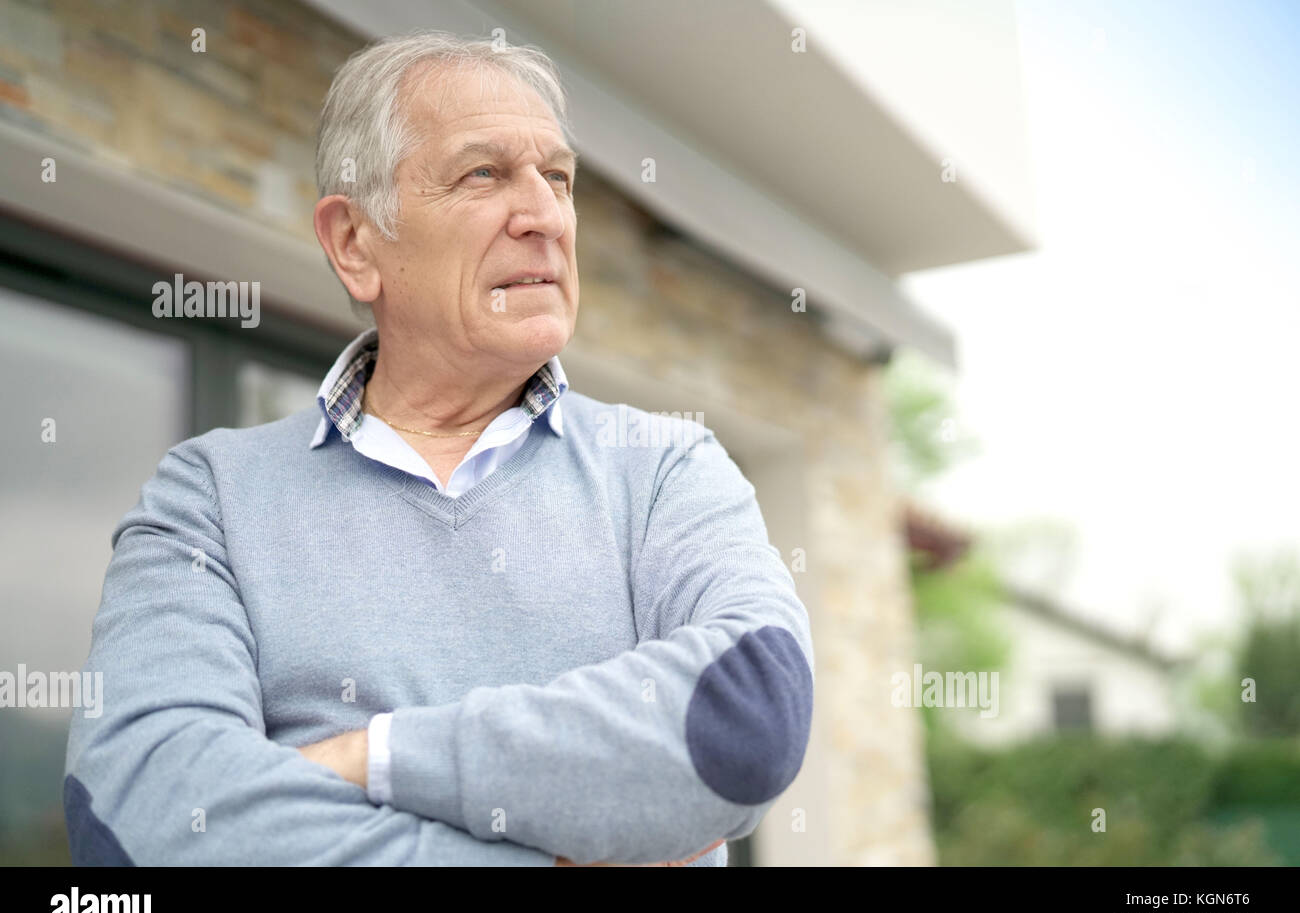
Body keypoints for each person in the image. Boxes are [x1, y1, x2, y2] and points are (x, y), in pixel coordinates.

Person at [63, 30, 814, 867]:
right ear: (354, 243)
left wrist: (366, 757)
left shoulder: (668, 466)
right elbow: (141, 819)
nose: (544, 218)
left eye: (556, 178)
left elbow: (748, 718)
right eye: (483, 174)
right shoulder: (210, 496)